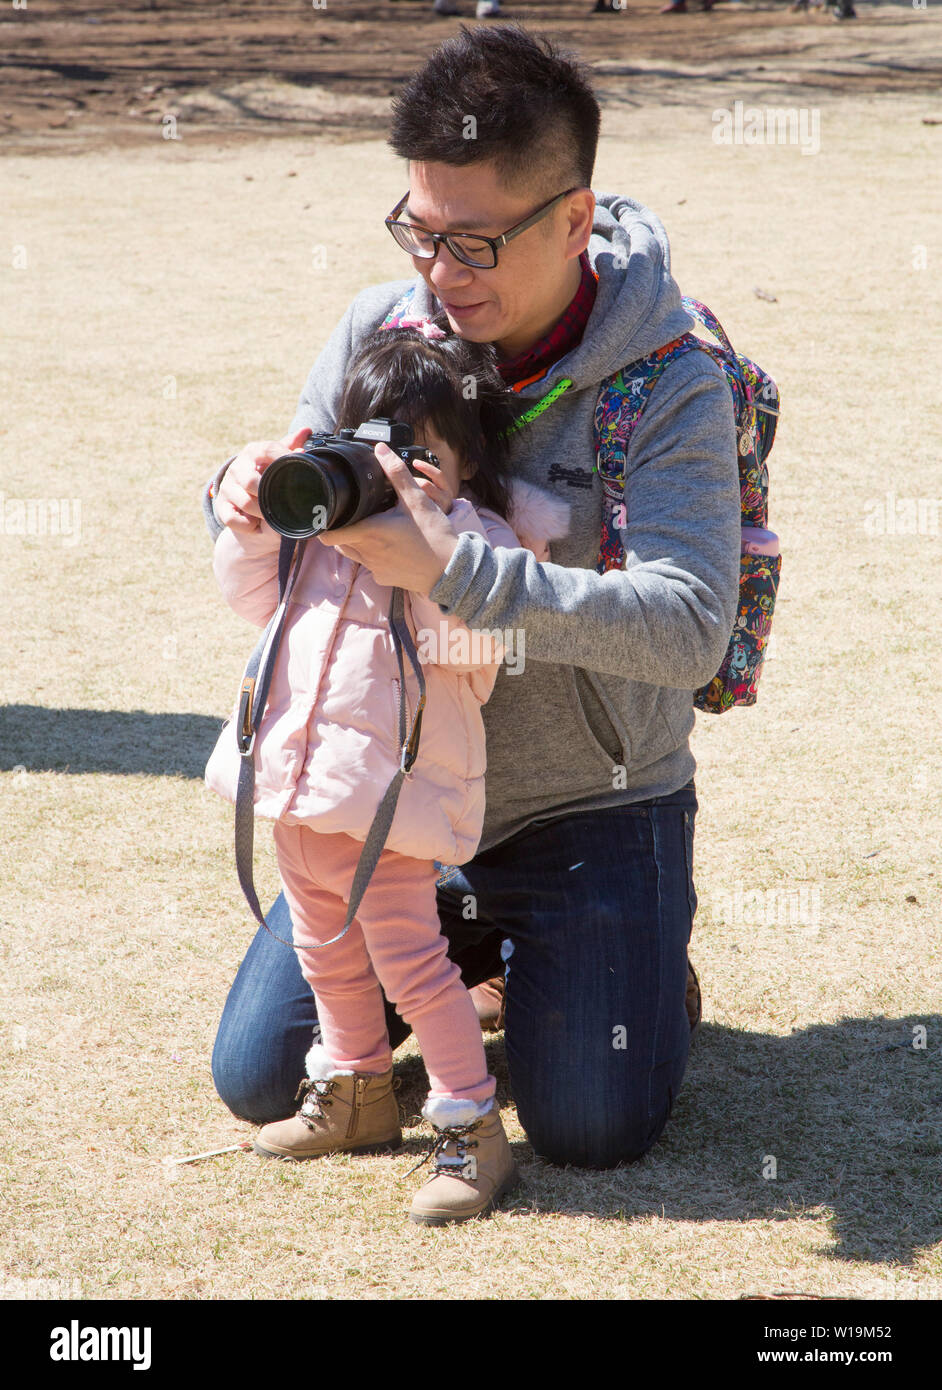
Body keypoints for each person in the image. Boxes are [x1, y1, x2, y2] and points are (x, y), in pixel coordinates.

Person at [203, 21, 740, 1179]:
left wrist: (454, 568)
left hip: (589, 809)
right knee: (255, 1071)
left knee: (588, 1126)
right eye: (419, 230)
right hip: (391, 804)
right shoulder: (379, 327)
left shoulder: (670, 377)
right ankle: (485, 961)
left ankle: (636, 967)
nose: (437, 274)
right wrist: (243, 500)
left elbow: (692, 623)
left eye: (475, 242)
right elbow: (303, 527)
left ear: (573, 217)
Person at [205, 317, 573, 1223]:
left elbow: (477, 655)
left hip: (392, 807)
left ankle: (470, 1125)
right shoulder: (319, 535)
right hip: (302, 789)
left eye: (420, 453)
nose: (392, 467)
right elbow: (251, 602)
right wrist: (254, 522)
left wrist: (422, 548)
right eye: (370, 446)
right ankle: (360, 1090)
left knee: (412, 965)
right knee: (324, 950)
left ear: (464, 465)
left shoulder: (471, 541)